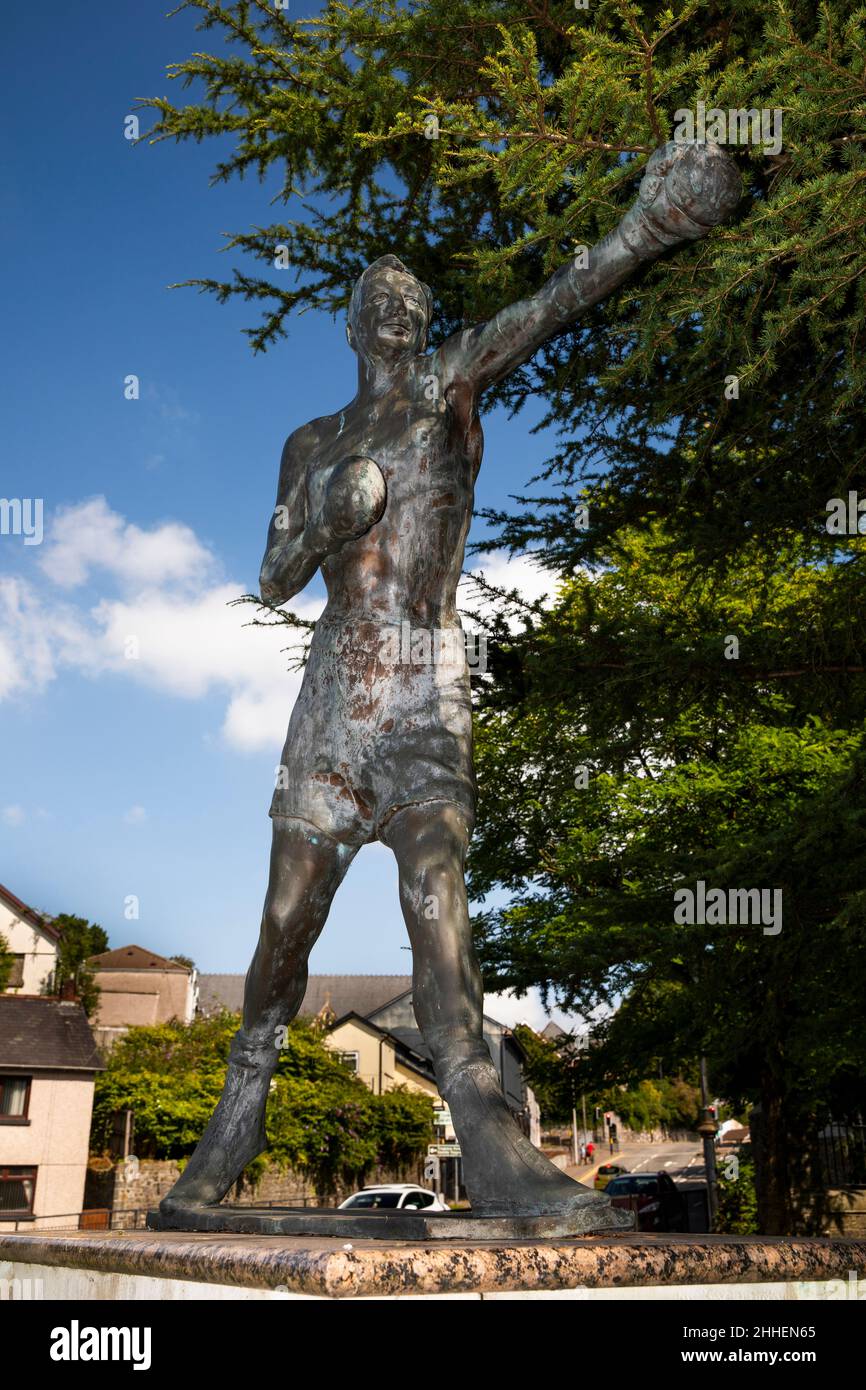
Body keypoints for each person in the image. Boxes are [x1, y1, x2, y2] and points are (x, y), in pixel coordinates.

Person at [160, 139, 739, 1222]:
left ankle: (486, 1128)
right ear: (349, 323)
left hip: (424, 682)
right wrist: (327, 513)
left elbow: (556, 298)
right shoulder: (311, 440)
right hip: (336, 692)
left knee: (438, 898)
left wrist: (647, 225)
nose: (395, 309)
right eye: (375, 298)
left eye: (410, 299)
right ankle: (229, 1130)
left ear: (424, 325)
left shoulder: (449, 383)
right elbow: (274, 572)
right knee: (285, 919)